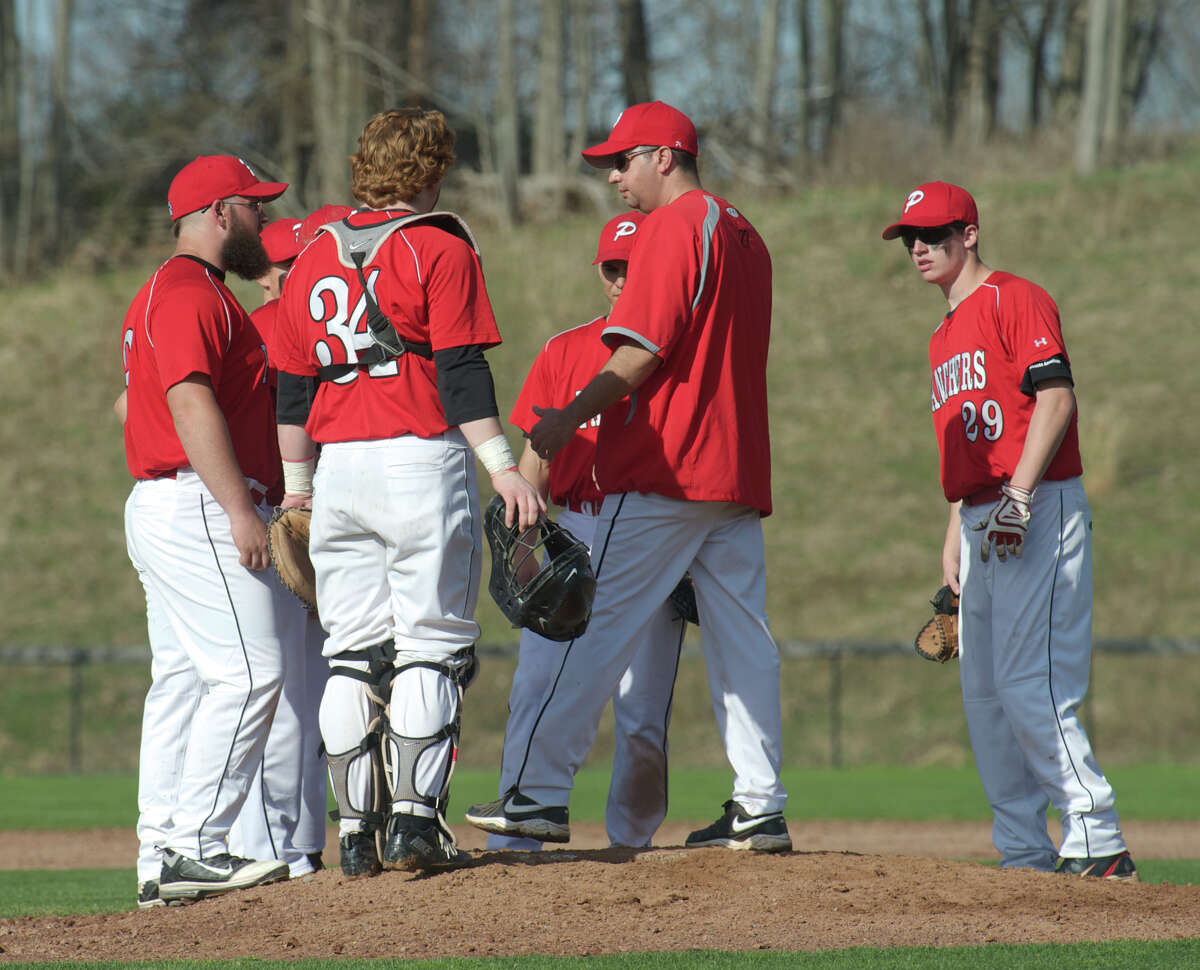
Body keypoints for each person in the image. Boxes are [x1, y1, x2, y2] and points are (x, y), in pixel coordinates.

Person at [466, 100, 791, 853]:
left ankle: (537, 795)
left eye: (624, 160)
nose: (613, 175)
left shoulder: (677, 226)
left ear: (666, 157)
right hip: (735, 470)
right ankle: (760, 805)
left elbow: (640, 353)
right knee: (745, 641)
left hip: (666, 466)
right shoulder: (745, 232)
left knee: (585, 624)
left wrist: (563, 417)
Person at [271, 108, 543, 877]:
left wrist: (297, 492)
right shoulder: (438, 244)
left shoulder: (316, 253)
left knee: (351, 654)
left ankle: (354, 833)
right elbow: (460, 372)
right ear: (431, 171)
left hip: (336, 472)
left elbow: (293, 394)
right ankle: (414, 827)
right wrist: (503, 466)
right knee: (431, 645)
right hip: (419, 461)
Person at [880, 180, 1136, 880]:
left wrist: (1019, 497)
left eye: (935, 233)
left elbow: (1055, 398)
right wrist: (954, 531)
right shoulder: (941, 335)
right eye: (911, 238)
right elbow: (971, 451)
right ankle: (1023, 847)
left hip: (1036, 505)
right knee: (985, 693)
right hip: (978, 517)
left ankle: (1096, 837)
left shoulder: (1013, 298)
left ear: (971, 233)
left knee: (1031, 682)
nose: (921, 247)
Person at [121, 155, 297, 907]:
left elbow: (139, 409)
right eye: (254, 207)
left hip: (169, 499)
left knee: (185, 683)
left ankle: (160, 853)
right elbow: (191, 405)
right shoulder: (191, 291)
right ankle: (197, 845)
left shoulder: (174, 291)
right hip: (195, 500)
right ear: (219, 213)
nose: (264, 220)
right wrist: (236, 507)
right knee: (251, 673)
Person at [489, 211, 687, 851]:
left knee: (640, 713)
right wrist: (527, 544)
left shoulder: (678, 353)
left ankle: (632, 844)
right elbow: (534, 461)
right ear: (600, 272)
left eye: (635, 267)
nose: (624, 278)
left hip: (651, 535)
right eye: (613, 267)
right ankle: (517, 839)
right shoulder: (564, 349)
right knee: (536, 687)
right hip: (572, 532)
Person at [227, 207, 350, 880]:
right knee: (330, 690)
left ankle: (286, 847)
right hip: (327, 514)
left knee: (291, 695)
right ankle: (350, 832)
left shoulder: (255, 328)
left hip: (284, 513)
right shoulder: (334, 322)